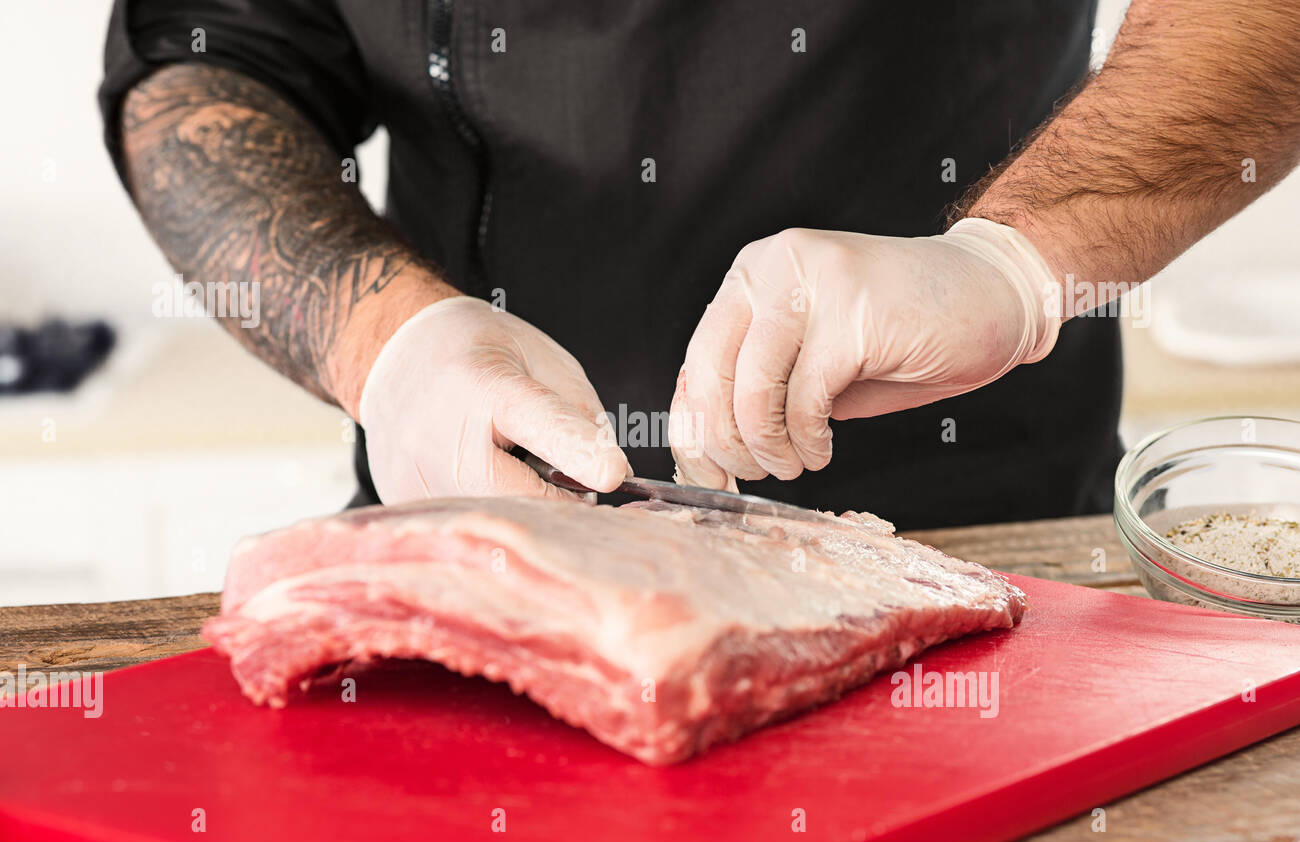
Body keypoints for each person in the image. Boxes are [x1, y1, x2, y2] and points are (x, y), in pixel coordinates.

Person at [100, 1, 1300, 528]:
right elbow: (207, 68)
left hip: (979, 531)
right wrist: (388, 345)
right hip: (470, 510)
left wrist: (1016, 265)